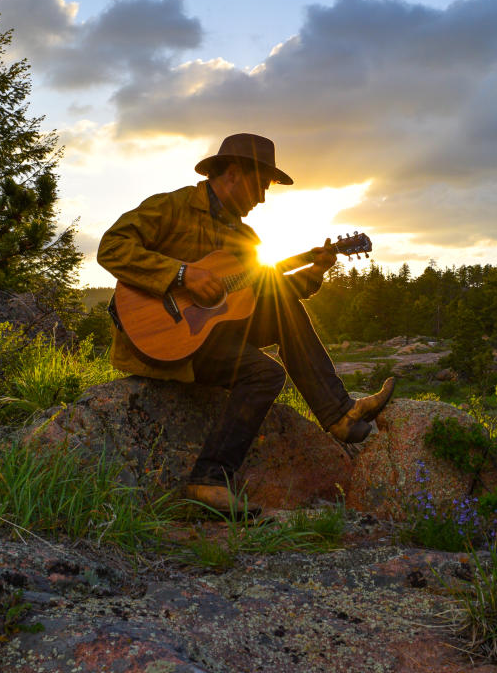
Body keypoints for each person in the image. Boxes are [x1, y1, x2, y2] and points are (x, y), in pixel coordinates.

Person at [97, 133, 395, 514]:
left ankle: (334, 417)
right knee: (266, 374)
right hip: (160, 340)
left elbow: (265, 293)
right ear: (234, 174)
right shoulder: (172, 207)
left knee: (275, 317)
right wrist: (183, 274)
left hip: (210, 338)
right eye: (260, 186)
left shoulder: (246, 237)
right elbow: (112, 247)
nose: (262, 198)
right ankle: (217, 476)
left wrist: (316, 271)